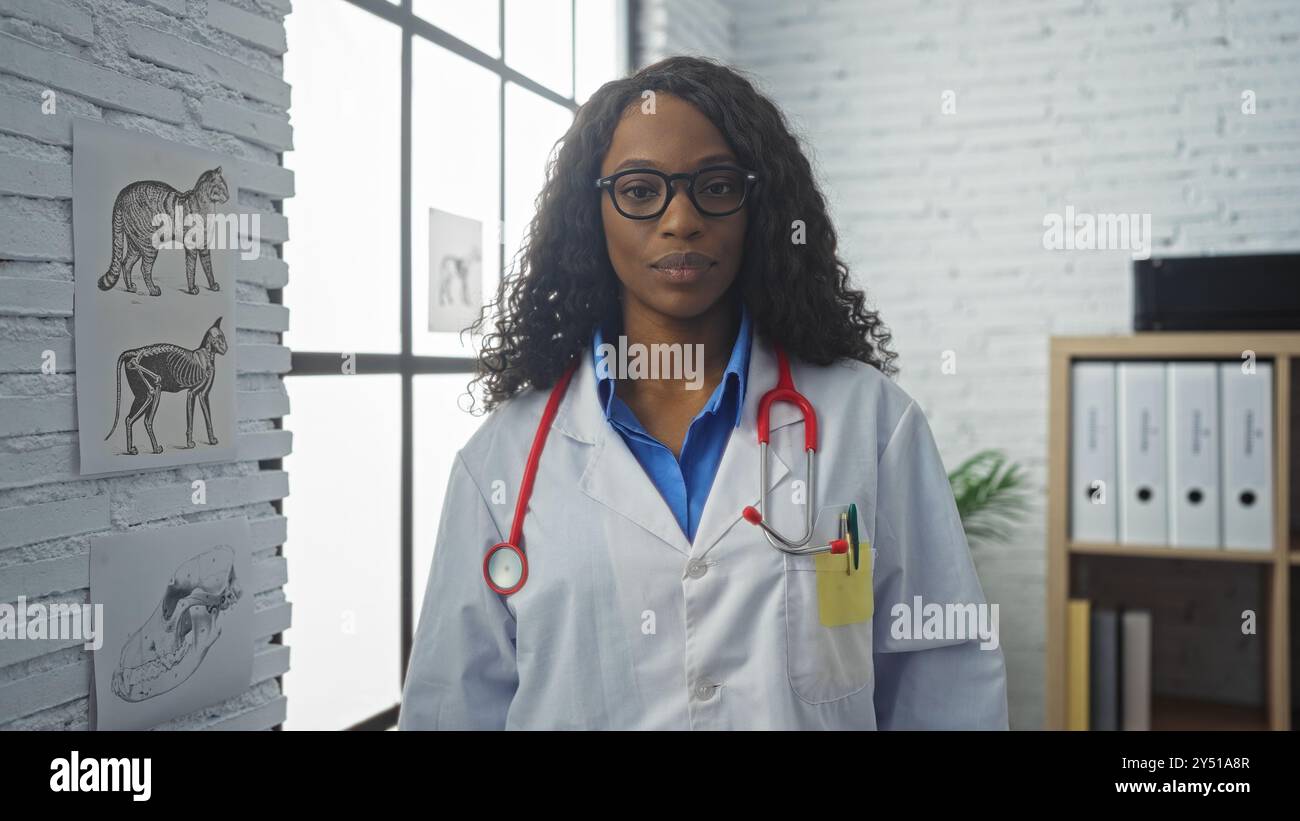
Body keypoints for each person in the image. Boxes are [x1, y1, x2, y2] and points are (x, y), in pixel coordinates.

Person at [398, 56, 1008, 730]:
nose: (680, 219)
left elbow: (944, 678)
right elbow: (452, 708)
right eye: (638, 190)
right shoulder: (502, 462)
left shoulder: (869, 424)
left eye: (715, 186)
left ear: (759, 207)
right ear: (590, 214)